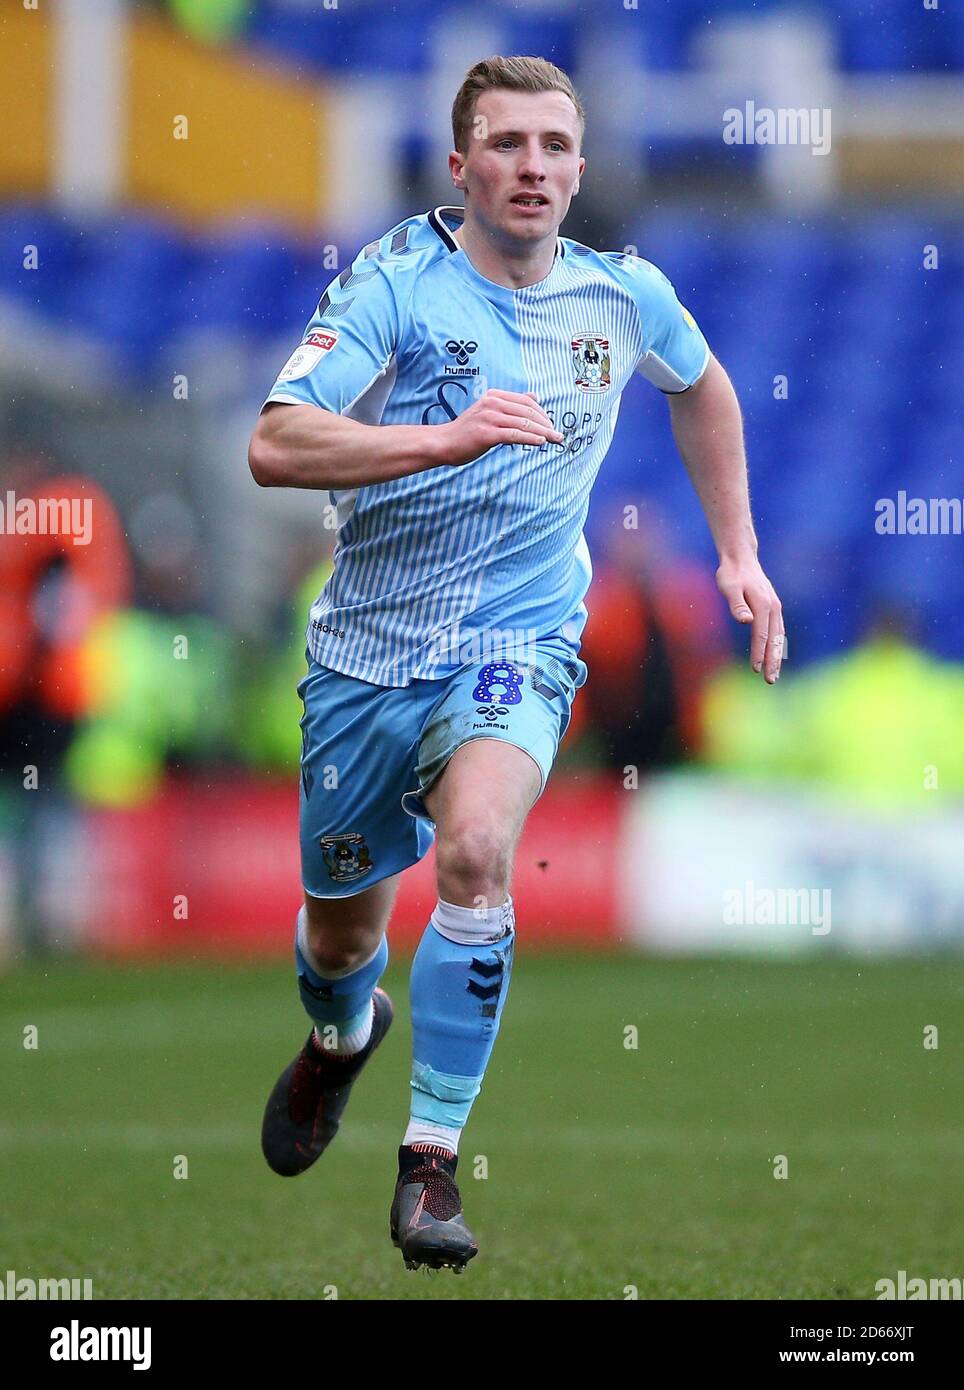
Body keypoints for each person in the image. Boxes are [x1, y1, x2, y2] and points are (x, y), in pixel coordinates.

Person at [247, 55, 785, 1273]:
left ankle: (429, 1164)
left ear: (581, 167)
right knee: (339, 943)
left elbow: (705, 391)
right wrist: (439, 434)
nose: (531, 167)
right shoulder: (396, 280)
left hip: (519, 644)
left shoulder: (624, 296)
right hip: (365, 663)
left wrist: (739, 555)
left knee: (481, 850)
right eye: (505, 145)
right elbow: (273, 445)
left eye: (553, 146)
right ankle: (339, 1042)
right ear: (460, 166)